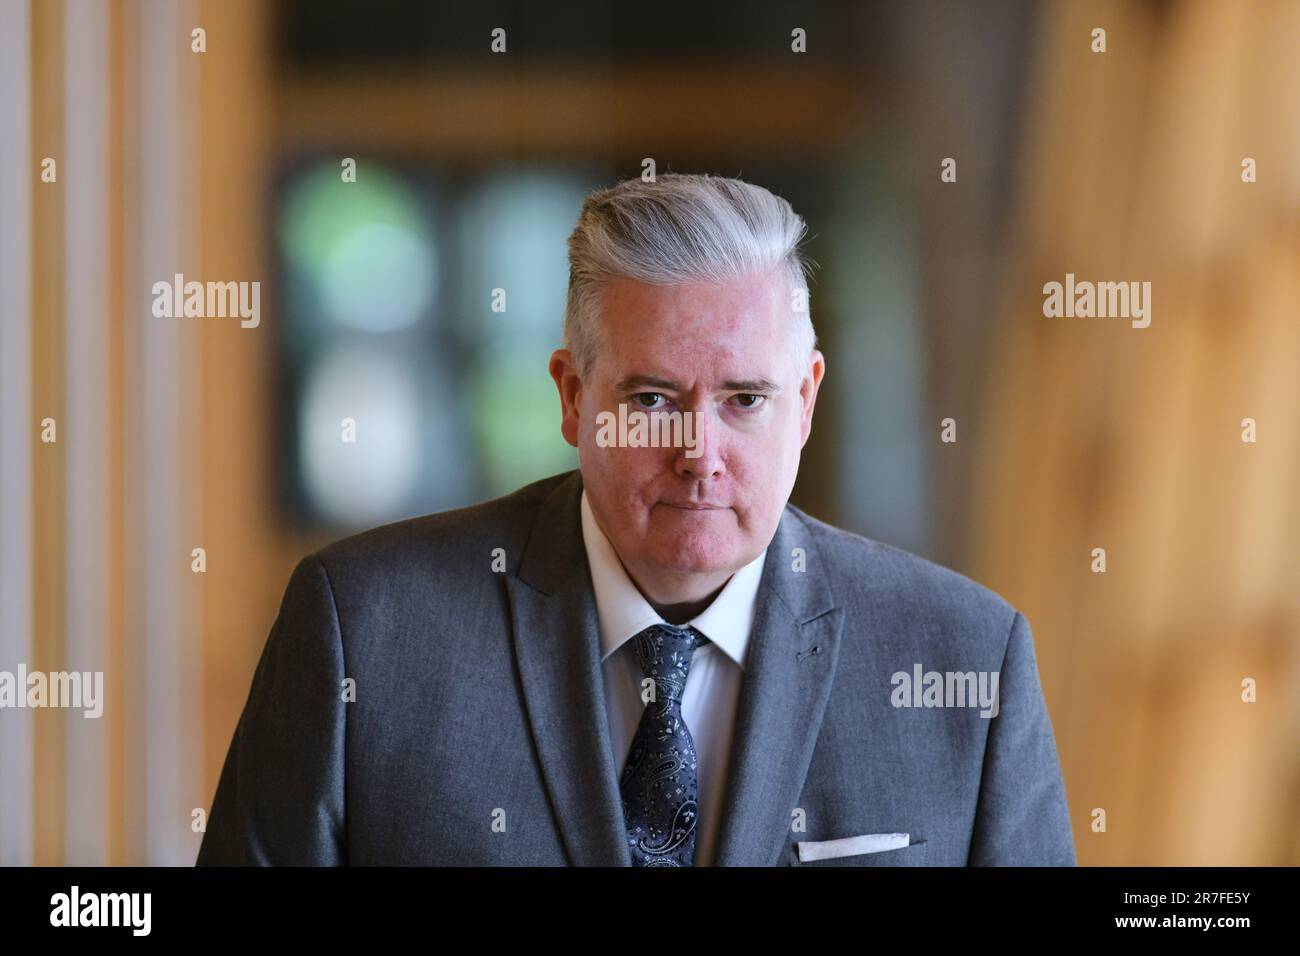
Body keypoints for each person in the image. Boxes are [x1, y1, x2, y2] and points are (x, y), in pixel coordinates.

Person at [197, 172, 1075, 866]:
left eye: (746, 399)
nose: (700, 450)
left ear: (804, 403)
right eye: (653, 398)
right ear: (573, 399)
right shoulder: (368, 631)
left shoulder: (965, 659)